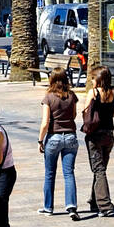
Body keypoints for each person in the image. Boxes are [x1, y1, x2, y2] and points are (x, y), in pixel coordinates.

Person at [38, 67, 79, 218]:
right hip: (70, 137)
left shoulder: (48, 97)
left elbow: (45, 122)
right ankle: (71, 206)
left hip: (53, 137)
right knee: (69, 173)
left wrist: (40, 140)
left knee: (49, 173)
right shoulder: (71, 96)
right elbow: (74, 115)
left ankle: (48, 207)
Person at [83, 67, 114, 217]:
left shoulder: (93, 93)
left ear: (99, 79)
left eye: (93, 78)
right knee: (100, 168)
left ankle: (105, 205)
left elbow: (85, 111)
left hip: (95, 135)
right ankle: (94, 201)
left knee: (98, 170)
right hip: (109, 134)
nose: (91, 81)